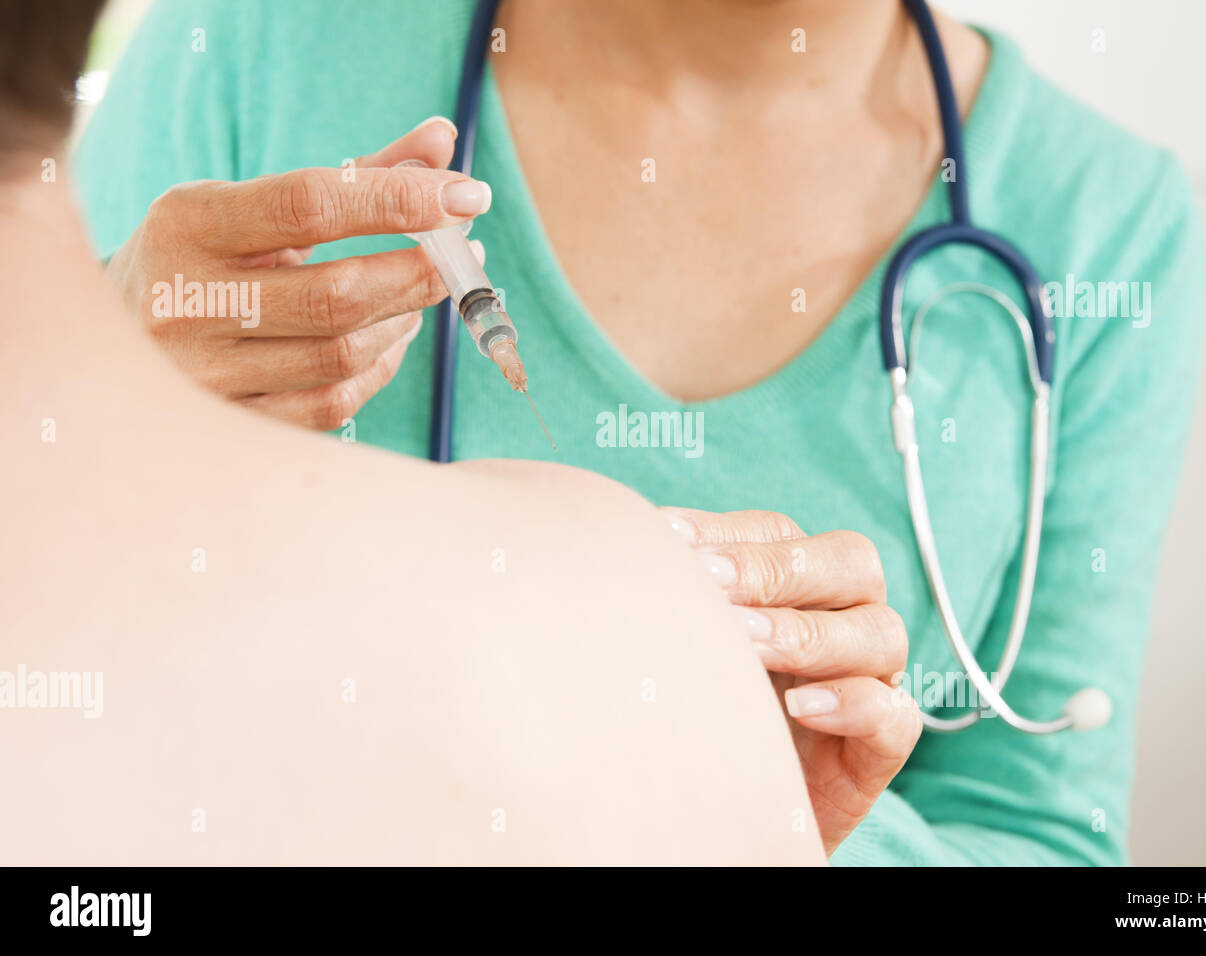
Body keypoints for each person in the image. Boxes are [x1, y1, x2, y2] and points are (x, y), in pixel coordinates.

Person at [76, 0, 1204, 864]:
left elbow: (1039, 837)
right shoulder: (251, 47)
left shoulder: (1106, 220)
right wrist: (92, 417)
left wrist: (749, 809)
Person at [0, 0, 891, 866]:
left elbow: (1019, 823)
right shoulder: (255, 39)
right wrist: (110, 383)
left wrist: (761, 819)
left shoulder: (1031, 185)